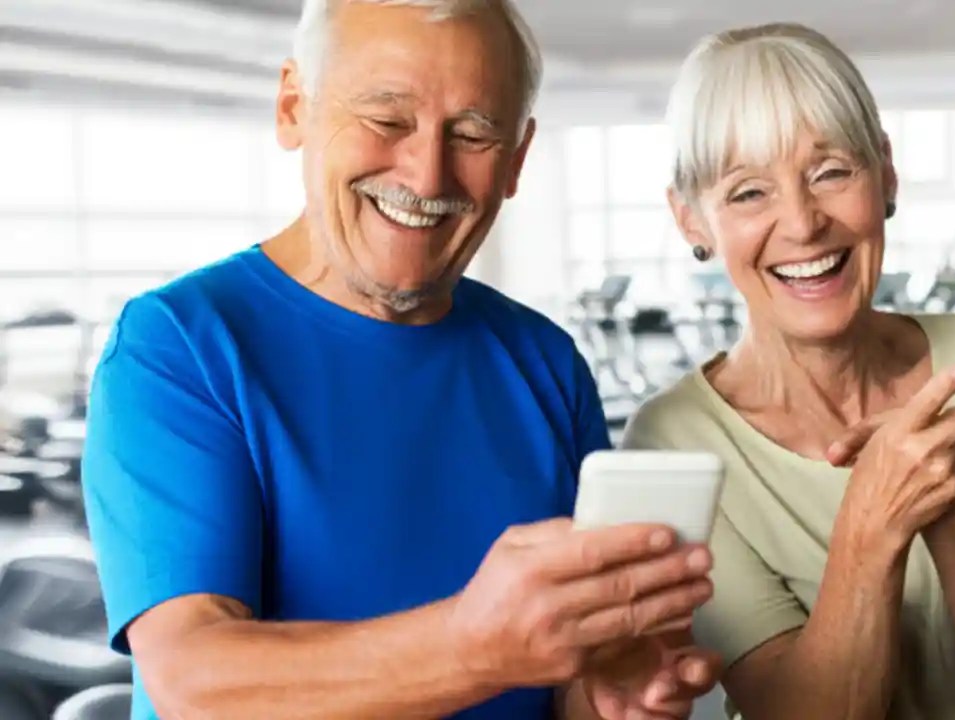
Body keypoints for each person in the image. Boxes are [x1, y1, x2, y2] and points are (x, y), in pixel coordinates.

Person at [80, 1, 720, 718]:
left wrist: (608, 700)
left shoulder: (545, 361)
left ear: (516, 160)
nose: (426, 176)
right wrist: (474, 649)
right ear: (294, 107)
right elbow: (195, 682)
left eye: (475, 134)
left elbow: (565, 683)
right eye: (387, 121)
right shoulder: (179, 347)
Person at [624, 23, 955, 720]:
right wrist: (874, 522)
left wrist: (953, 499)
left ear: (886, 173)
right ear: (692, 221)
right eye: (750, 192)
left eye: (832, 171)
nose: (804, 223)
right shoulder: (671, 443)